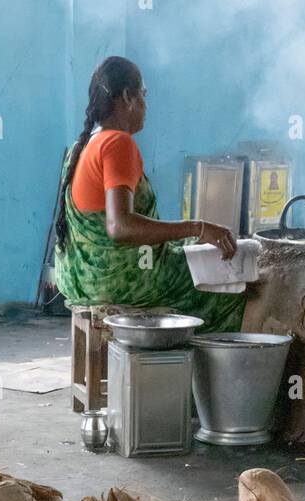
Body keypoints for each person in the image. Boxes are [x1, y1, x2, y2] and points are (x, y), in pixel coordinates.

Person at [55, 56, 244, 330]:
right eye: (143, 94)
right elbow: (121, 227)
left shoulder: (82, 146)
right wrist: (198, 228)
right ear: (127, 97)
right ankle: (205, 369)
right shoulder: (118, 143)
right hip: (123, 280)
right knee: (231, 285)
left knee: (194, 254)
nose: (146, 105)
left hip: (83, 279)